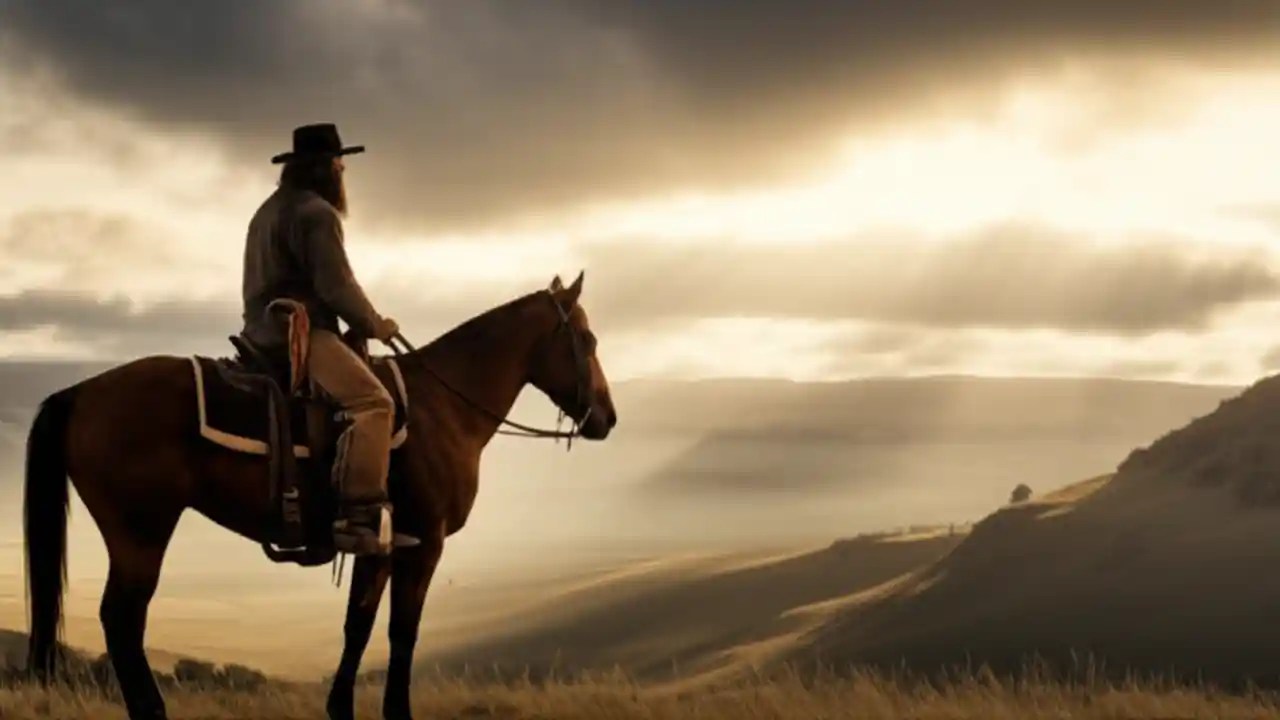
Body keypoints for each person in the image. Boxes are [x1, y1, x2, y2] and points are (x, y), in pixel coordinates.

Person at [240, 123, 399, 556]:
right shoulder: (316, 214)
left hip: (259, 330)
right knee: (374, 403)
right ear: (324, 168)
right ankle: (357, 516)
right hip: (298, 332)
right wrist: (376, 325)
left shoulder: (266, 212)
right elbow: (337, 287)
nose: (342, 170)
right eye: (338, 163)